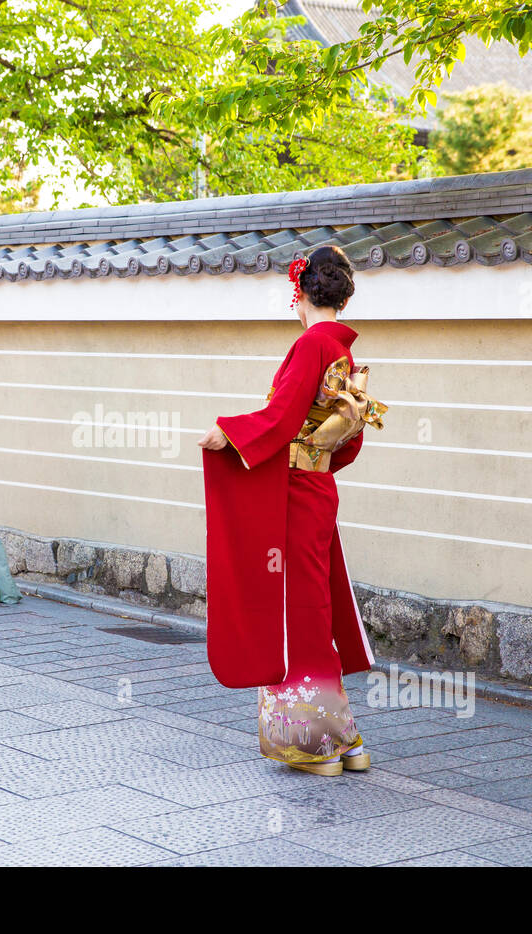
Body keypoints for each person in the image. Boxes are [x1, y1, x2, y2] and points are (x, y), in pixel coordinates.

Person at [198, 245, 378, 775]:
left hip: (297, 493)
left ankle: (313, 745)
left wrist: (228, 433)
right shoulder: (340, 351)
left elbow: (281, 417)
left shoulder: (311, 346)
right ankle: (347, 741)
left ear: (300, 293)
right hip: (318, 488)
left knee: (297, 612)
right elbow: (346, 440)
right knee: (313, 608)